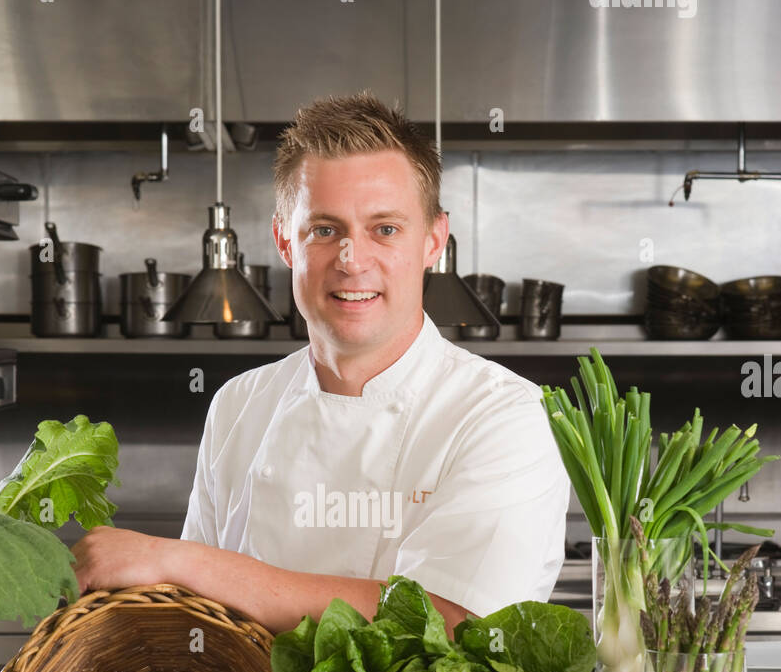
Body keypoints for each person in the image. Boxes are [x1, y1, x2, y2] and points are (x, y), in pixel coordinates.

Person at [72, 91, 569, 638]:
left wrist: (173, 560)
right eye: (325, 230)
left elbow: (457, 626)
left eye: (385, 229)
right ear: (286, 240)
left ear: (433, 240)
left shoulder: (503, 415)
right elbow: (200, 621)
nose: (353, 261)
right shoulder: (239, 404)